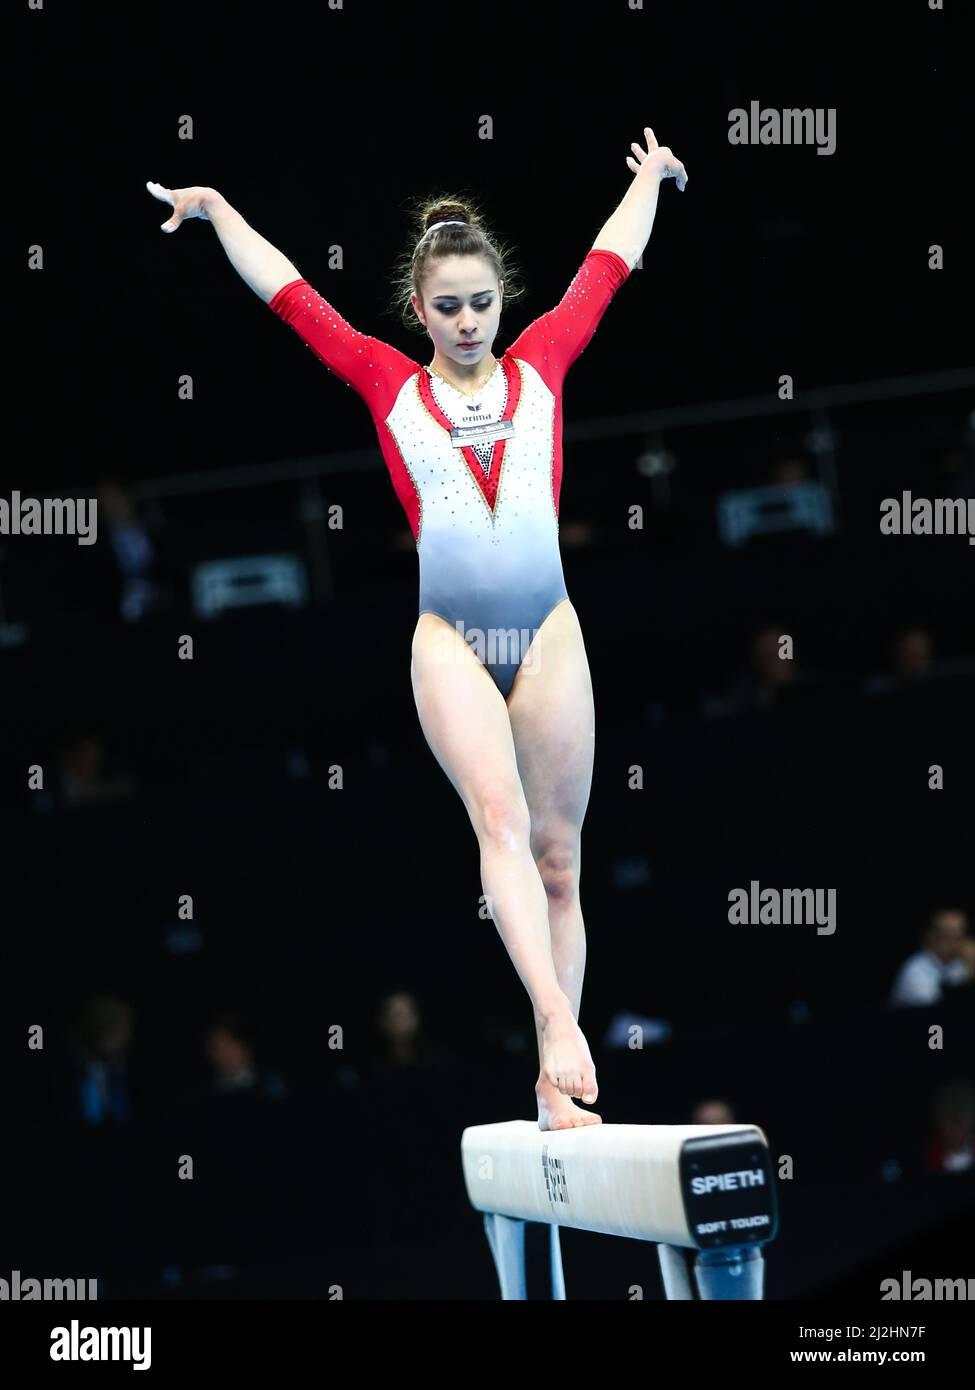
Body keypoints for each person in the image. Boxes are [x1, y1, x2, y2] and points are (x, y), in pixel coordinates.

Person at [147, 126, 687, 1130]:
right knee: (500, 824)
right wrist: (220, 211)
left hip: (550, 630)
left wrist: (652, 177)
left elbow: (608, 264)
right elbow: (293, 295)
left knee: (561, 857)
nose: (472, 321)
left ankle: (548, 1078)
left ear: (500, 299)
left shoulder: (543, 363)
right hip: (448, 638)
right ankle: (561, 1026)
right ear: (418, 310)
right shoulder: (390, 384)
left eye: (483, 302)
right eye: (449, 306)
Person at [889, 907, 975, 1007]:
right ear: (929, 936)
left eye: (960, 935)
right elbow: (937, 1014)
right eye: (947, 935)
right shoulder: (915, 971)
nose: (956, 942)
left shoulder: (960, 963)